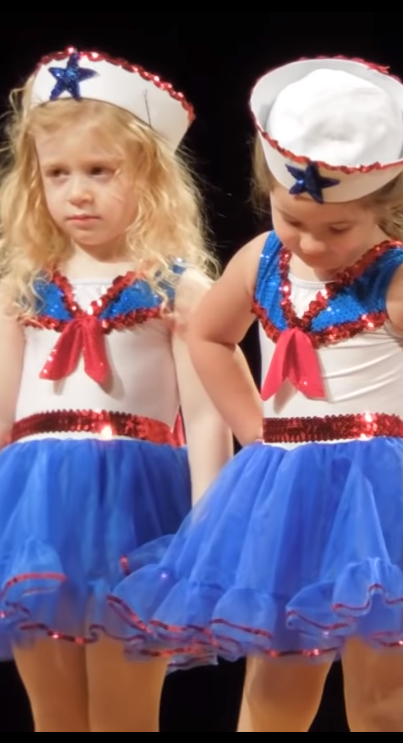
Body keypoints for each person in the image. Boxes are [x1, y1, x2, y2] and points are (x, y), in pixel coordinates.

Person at [105, 56, 403, 732]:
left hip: (379, 501)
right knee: (274, 692)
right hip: (285, 496)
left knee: (382, 699)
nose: (310, 242)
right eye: (293, 218)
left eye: (337, 229)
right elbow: (210, 338)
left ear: (386, 206)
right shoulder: (260, 259)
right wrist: (254, 427)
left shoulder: (400, 281)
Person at [0, 47, 231, 731]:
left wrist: (207, 534)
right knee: (54, 714)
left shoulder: (182, 288)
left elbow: (208, 416)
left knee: (126, 712)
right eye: (58, 173)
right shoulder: (18, 290)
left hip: (138, 508)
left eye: (101, 171)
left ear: (152, 176)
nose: (78, 192)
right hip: (34, 509)